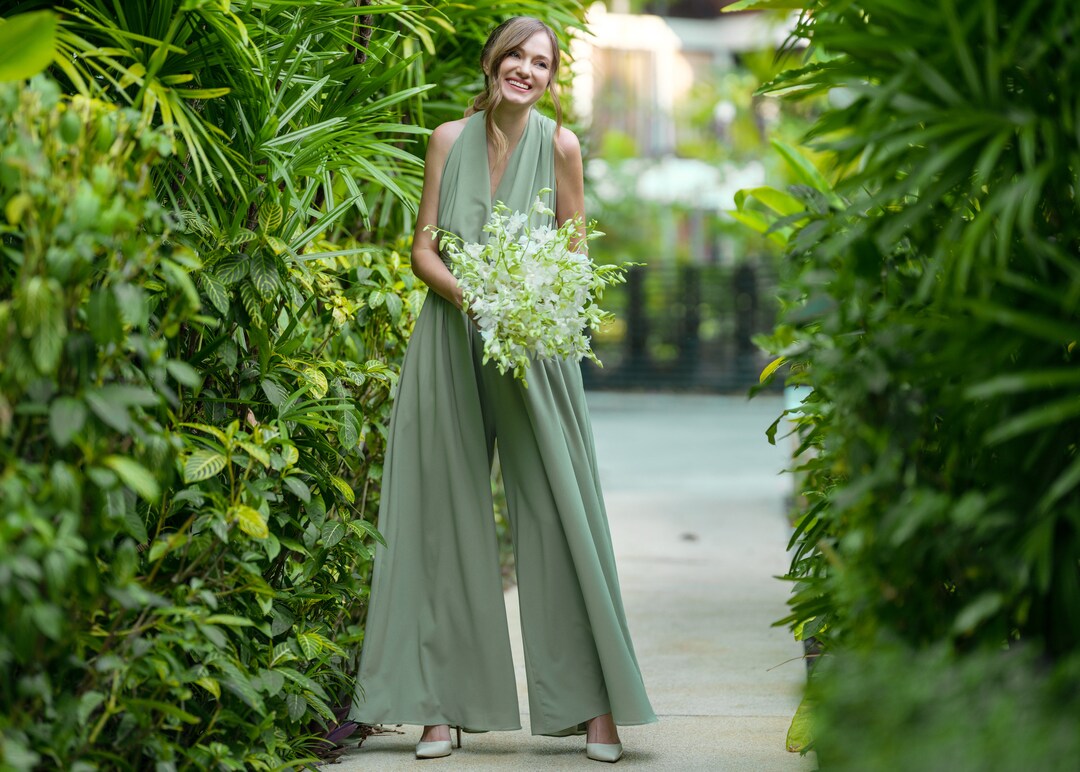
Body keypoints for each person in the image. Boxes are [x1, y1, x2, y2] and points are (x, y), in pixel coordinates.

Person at [347, 16, 658, 763]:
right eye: (515, 55)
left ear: (552, 78)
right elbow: (422, 247)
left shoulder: (561, 147)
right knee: (442, 515)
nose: (526, 69)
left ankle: (593, 711)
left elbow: (577, 254)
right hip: (449, 344)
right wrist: (472, 299)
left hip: (534, 348)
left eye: (541, 62)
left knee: (559, 516)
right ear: (492, 62)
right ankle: (438, 710)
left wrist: (531, 305)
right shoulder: (448, 140)